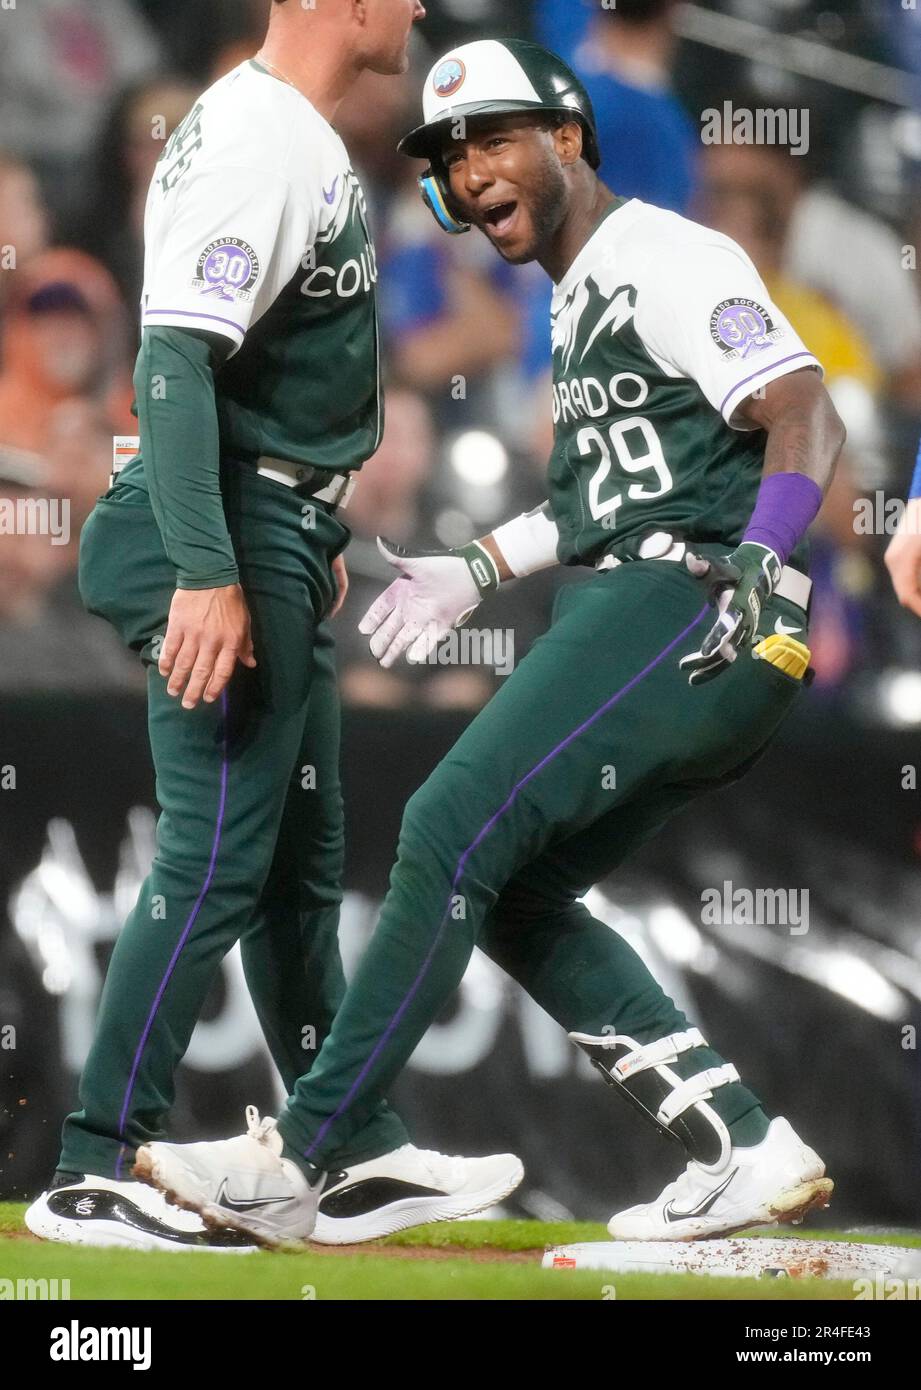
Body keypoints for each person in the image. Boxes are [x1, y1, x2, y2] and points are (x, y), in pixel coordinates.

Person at [135, 38, 844, 1250]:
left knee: (444, 825)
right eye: (451, 157)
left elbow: (805, 409)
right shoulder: (581, 294)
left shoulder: (667, 251)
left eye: (495, 138)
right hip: (678, 612)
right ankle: (742, 1139)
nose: (469, 172)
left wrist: (764, 557)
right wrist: (478, 566)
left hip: (685, 602)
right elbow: (598, 501)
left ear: (568, 138)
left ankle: (300, 1157)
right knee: (514, 890)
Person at [24, 1, 522, 1254]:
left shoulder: (282, 129)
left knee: (299, 870)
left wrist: (311, 527)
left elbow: (249, 371)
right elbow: (175, 363)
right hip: (223, 534)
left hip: (272, 527)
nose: (414, 6)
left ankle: (350, 1149)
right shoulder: (257, 135)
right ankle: (96, 1159)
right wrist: (216, 564)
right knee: (217, 854)